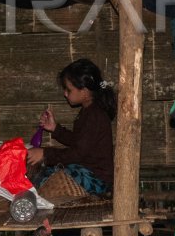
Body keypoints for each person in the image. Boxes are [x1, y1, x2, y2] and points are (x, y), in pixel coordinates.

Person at [29, 58, 116, 195]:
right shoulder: (88, 111)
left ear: (84, 92)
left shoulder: (95, 115)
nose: (65, 93)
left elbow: (77, 153)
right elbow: (78, 141)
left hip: (97, 180)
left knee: (52, 175)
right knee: (47, 172)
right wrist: (55, 128)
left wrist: (45, 154)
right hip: (86, 171)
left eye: (68, 90)